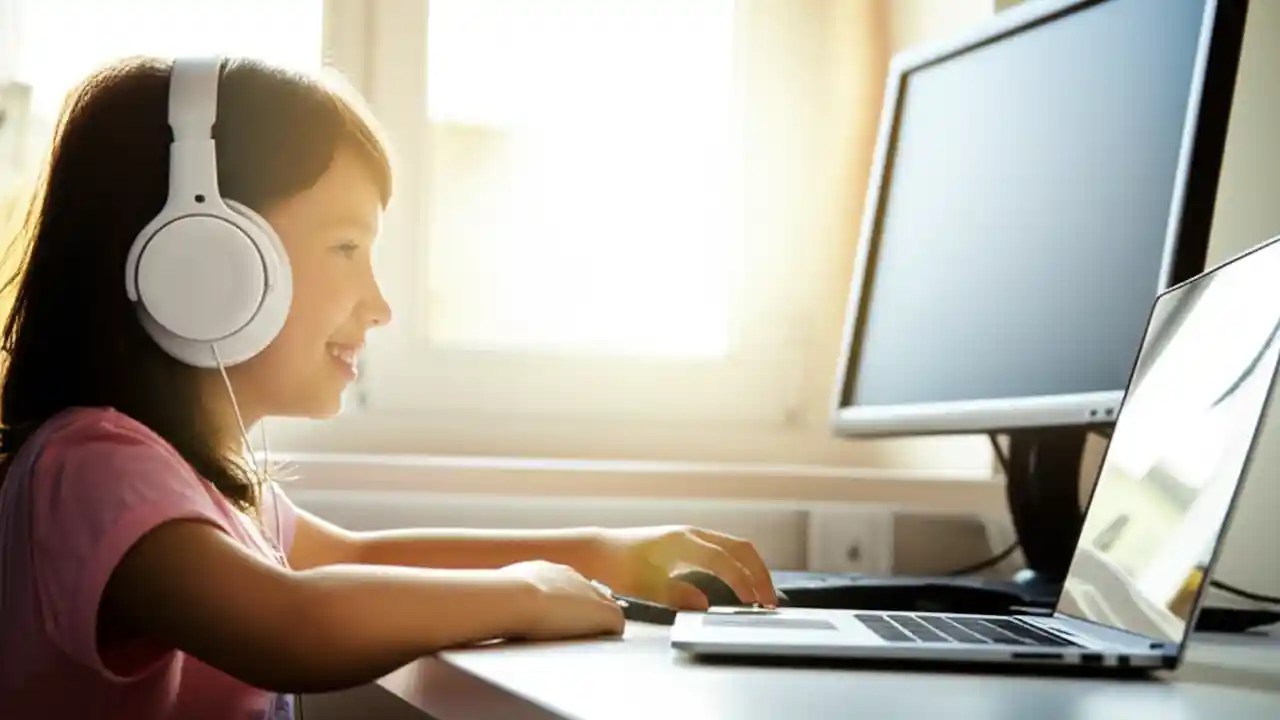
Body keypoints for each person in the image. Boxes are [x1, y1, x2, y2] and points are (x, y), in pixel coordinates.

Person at [0, 56, 777, 719]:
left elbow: (362, 556)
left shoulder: (194, 487)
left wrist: (603, 552)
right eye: (346, 247)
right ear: (201, 261)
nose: (379, 305)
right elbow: (292, 622)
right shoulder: (92, 467)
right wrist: (521, 597)